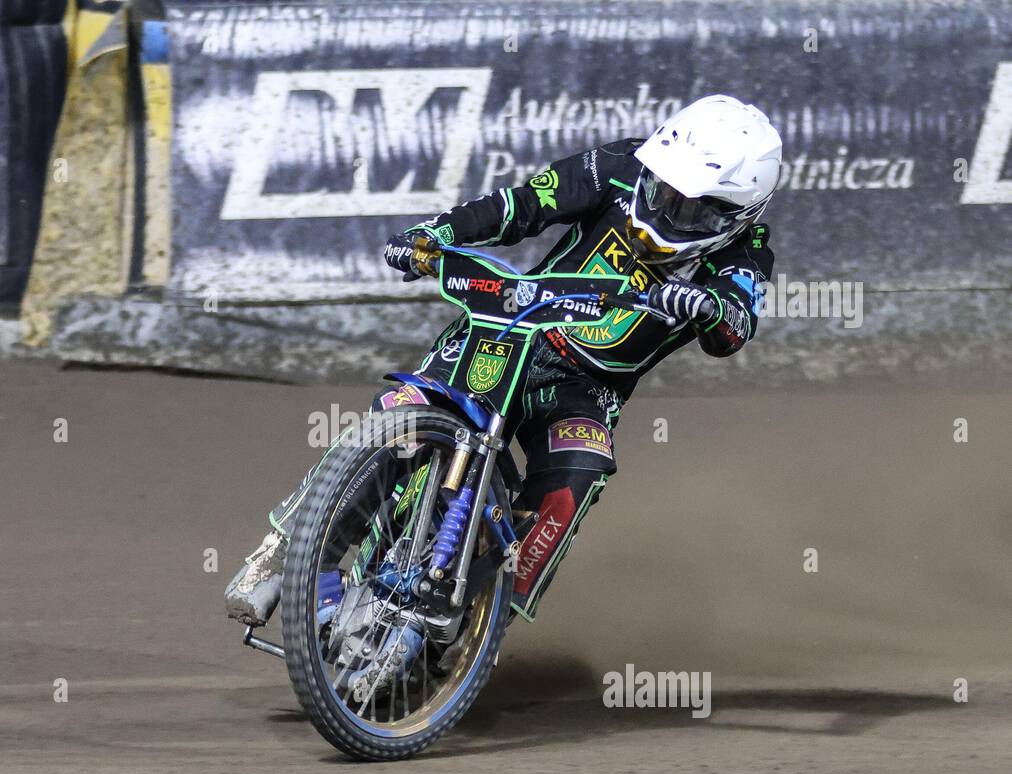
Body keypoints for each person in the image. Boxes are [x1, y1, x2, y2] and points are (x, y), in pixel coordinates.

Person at [226, 93, 781, 626]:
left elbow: (735, 324)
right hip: (513, 328)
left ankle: (481, 625)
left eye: (689, 207)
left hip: (588, 390)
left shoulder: (747, 251)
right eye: (662, 190)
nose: (663, 210)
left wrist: (708, 307)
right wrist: (435, 234)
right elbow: (522, 205)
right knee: (402, 409)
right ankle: (287, 551)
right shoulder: (617, 165)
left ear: (735, 213)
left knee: (577, 476)